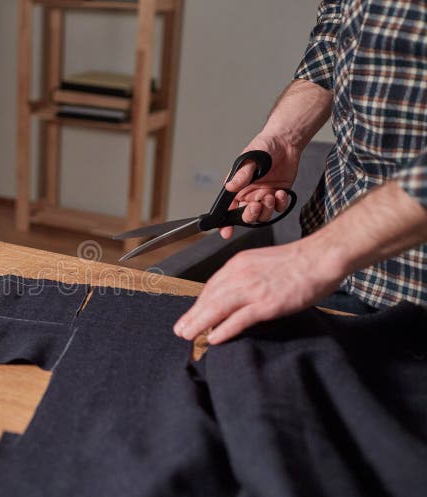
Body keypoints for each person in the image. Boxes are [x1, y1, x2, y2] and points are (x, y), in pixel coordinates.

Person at [174, 0, 427, 345]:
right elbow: (333, 35)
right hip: (340, 278)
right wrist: (283, 137)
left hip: (409, 289)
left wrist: (316, 258)